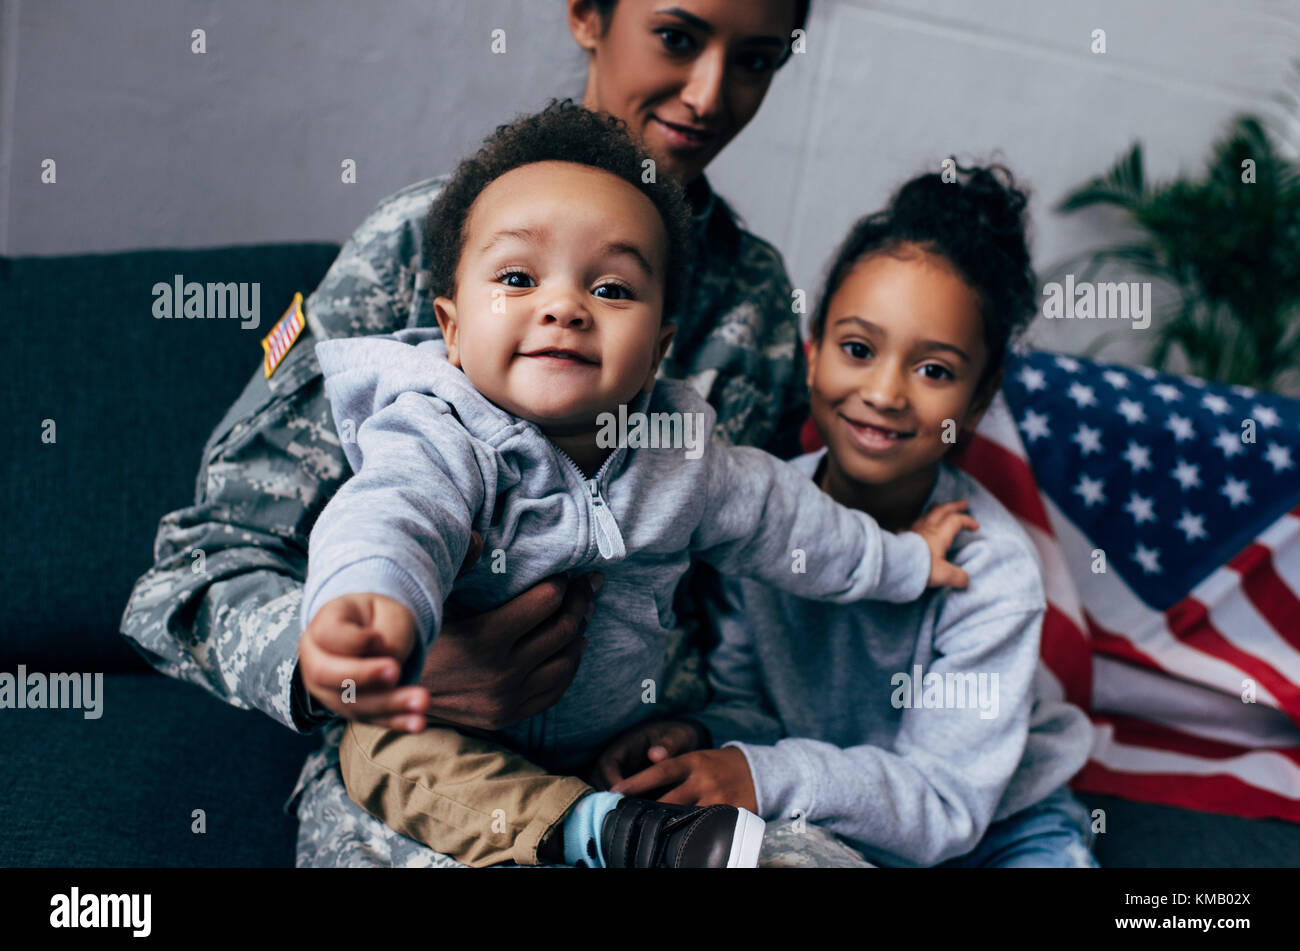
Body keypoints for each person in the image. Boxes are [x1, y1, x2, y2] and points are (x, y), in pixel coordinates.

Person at [118, 0, 863, 867]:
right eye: (678, 36)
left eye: (757, 59)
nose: (708, 94)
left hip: (652, 775)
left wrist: (699, 720)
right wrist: (389, 667)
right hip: (432, 778)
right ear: (588, 15)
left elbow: (746, 578)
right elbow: (191, 576)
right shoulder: (420, 244)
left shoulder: (758, 300)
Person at [309, 101, 976, 869]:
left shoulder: (686, 459)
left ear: (659, 348)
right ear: (451, 329)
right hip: (454, 740)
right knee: (384, 753)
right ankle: (596, 830)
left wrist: (908, 561)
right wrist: (369, 610)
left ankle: (630, 821)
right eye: (520, 276)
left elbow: (798, 524)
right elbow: (390, 516)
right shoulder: (438, 433)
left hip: (610, 740)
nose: (564, 307)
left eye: (614, 289)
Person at [596, 164, 1100, 867]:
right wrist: (701, 738)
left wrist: (761, 774)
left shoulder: (988, 567)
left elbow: (945, 805)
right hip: (832, 810)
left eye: (935, 370)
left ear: (979, 402)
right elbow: (757, 711)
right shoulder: (767, 519)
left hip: (994, 822)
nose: (886, 392)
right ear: (812, 356)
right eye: (858, 350)